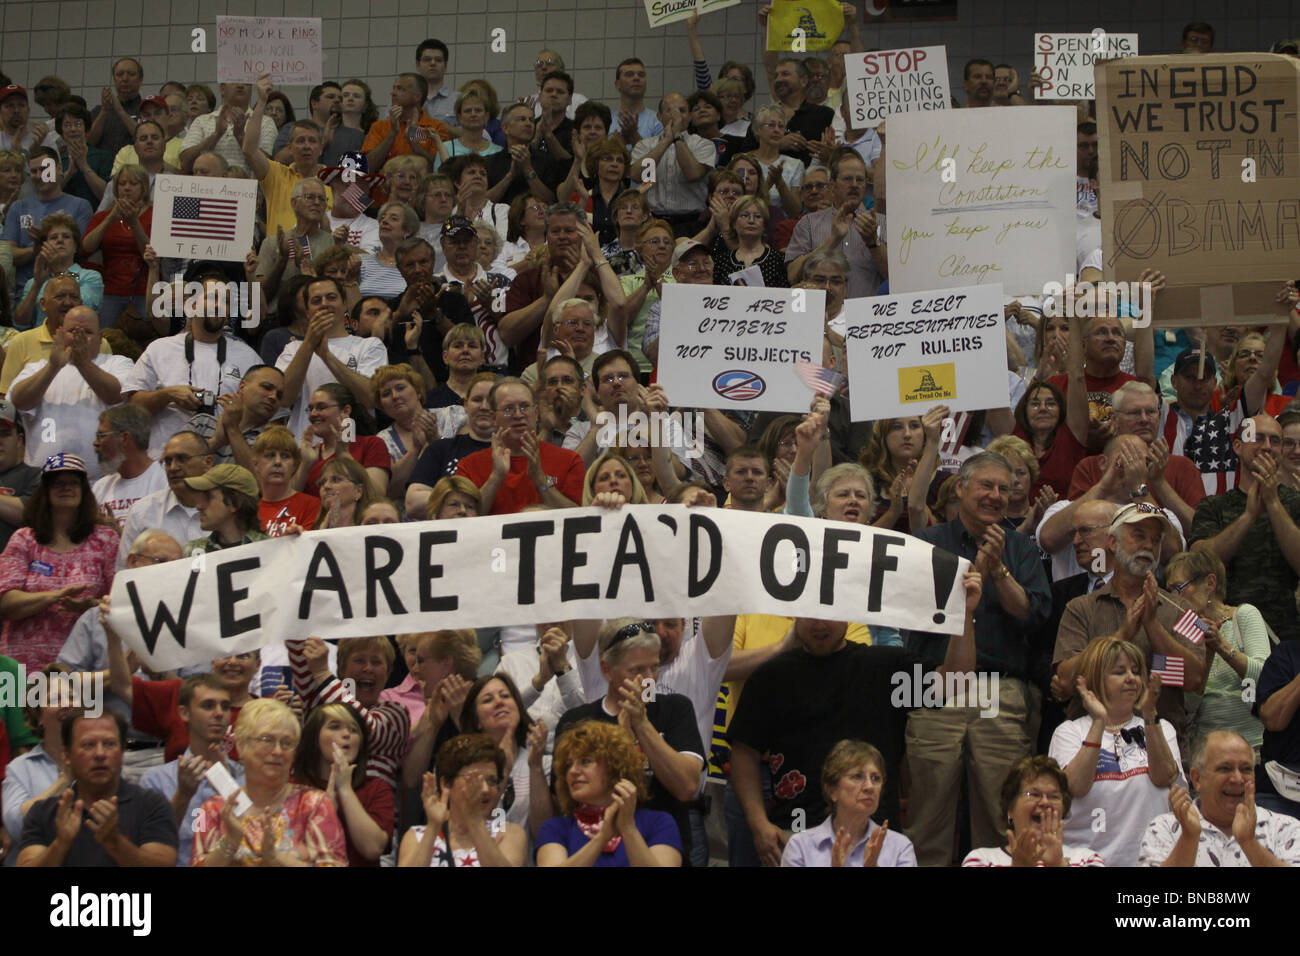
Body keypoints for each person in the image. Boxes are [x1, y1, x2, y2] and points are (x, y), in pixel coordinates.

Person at [731, 572, 982, 867]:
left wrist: (964, 614)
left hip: (877, 840)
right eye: (811, 614)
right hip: (795, 837)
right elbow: (744, 751)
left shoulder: (884, 668)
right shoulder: (770, 676)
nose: (820, 624)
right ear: (795, 612)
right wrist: (758, 824)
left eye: (829, 614)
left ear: (849, 612)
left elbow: (953, 681)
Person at [901, 452, 1052, 865]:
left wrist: (999, 571)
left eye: (1004, 488)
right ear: (962, 488)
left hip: (999, 692)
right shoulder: (929, 545)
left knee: (999, 811)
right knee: (926, 813)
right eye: (986, 485)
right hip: (935, 685)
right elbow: (911, 613)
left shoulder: (1022, 549)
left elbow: (1034, 616)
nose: (996, 495)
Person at [1049, 636, 1183, 867]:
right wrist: (1099, 723)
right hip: (1085, 861)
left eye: (1135, 671)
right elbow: (1075, 788)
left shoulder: (1162, 728)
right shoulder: (1068, 732)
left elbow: (1163, 778)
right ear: (1095, 679)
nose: (1131, 678)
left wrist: (1150, 716)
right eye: (1119, 672)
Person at [122, 269, 263, 457]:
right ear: (191, 305)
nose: (219, 305)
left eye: (226, 301)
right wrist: (168, 395)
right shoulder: (160, 349)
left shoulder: (247, 356)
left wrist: (240, 413)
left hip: (223, 465)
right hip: (164, 462)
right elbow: (131, 410)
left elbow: (266, 413)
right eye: (212, 297)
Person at [191, 698, 346, 866]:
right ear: (241, 746)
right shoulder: (210, 810)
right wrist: (229, 841)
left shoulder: (315, 803)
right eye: (267, 740)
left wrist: (275, 858)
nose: (278, 751)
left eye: (287, 743)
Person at [0, 453, 117, 669]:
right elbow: (6, 604)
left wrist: (90, 606)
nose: (66, 488)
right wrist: (56, 596)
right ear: (44, 492)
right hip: (22, 666)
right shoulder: (24, 539)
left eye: (74, 482)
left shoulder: (106, 539)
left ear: (84, 490)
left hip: (84, 668)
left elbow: (118, 603)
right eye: (57, 484)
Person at [17, 711, 178, 866]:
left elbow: (164, 863)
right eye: (88, 745)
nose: (100, 754)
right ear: (66, 755)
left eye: (109, 744)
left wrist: (115, 842)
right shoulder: (44, 812)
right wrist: (60, 844)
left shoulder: (151, 805)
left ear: (122, 752)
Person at [1191, 414, 1300, 643]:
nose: (1267, 447)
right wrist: (1249, 516)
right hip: (1227, 632)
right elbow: (1200, 564)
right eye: (1258, 438)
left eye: (1275, 441)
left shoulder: (1295, 502)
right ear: (1238, 446)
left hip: (1286, 635)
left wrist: (1272, 502)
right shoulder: (1213, 506)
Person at [1141, 729, 1300, 865]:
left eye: (1245, 769)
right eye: (1225, 768)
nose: (1237, 779)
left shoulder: (1284, 827)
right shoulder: (1165, 828)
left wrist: (1250, 843)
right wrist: (1189, 838)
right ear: (1197, 779)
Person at [9, 306, 132, 481]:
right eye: (72, 331)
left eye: (87, 332)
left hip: (102, 483)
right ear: (59, 334)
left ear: (100, 338)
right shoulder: (38, 367)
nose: (79, 338)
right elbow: (19, 401)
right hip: (42, 482)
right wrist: (53, 367)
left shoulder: (117, 363)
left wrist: (83, 364)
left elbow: (116, 395)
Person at [537, 721, 681, 867]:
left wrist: (628, 829)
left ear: (614, 767)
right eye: (568, 765)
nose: (573, 771)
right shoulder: (555, 827)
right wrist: (602, 838)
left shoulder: (658, 823)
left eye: (585, 761)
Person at [1165, 551, 1268, 749]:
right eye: (1170, 591)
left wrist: (1220, 646)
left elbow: (1264, 676)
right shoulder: (1180, 634)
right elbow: (1188, 706)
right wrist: (1208, 655)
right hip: (1207, 751)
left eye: (1178, 588)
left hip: (1253, 747)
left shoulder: (1244, 615)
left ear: (1210, 584)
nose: (1174, 598)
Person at [138, 675, 243, 867]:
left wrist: (226, 784)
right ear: (184, 713)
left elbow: (256, 834)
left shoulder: (243, 775)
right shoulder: (156, 779)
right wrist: (183, 796)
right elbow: (152, 847)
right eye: (208, 706)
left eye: (225, 706)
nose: (219, 713)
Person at [276, 277, 388, 438]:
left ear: (345, 304)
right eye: (316, 300)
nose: (324, 303)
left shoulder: (369, 345)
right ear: (307, 312)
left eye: (331, 297)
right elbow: (284, 399)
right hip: (304, 445)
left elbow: (371, 398)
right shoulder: (293, 349)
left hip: (352, 444)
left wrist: (327, 356)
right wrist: (308, 344)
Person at [456, 378, 583, 514]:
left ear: (536, 413)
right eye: (508, 409)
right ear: (493, 418)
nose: (518, 415)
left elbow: (579, 518)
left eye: (524, 407)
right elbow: (463, 521)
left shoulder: (569, 460)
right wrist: (496, 477)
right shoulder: (469, 466)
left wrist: (541, 481)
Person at [781, 740, 917, 867]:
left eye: (876, 778)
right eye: (857, 776)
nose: (869, 786)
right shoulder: (800, 847)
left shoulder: (900, 847)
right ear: (832, 790)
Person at [399, 733, 527, 867]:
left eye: (491, 780)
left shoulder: (509, 834)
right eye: (473, 780)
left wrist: (474, 820)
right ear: (446, 784)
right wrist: (433, 826)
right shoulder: (417, 836)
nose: (485, 789)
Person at [291, 703, 394, 868]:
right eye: (335, 727)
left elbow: (373, 848)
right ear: (314, 738)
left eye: (354, 730)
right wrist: (324, 812)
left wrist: (345, 789)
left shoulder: (376, 788)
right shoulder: (294, 787)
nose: (346, 734)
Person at [962, 756, 1105, 866]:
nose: (1044, 802)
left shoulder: (1087, 859)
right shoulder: (981, 860)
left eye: (1053, 796)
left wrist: (1057, 865)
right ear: (1010, 809)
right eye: (1034, 794)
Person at [457, 673, 553, 837]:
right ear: (477, 721)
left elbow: (543, 834)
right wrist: (503, 773)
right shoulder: (463, 768)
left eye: (505, 696)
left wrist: (535, 767)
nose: (499, 702)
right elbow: (467, 827)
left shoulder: (544, 764)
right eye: (488, 700)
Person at [785, 150, 881, 298]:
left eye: (860, 180)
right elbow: (793, 276)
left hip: (866, 316)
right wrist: (833, 239)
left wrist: (873, 243)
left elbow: (895, 278)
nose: (855, 185)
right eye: (848, 179)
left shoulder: (878, 223)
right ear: (832, 184)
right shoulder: (808, 223)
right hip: (820, 316)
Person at [404, 374, 497, 516]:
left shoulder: (515, 451)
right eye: (477, 400)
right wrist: (472, 500)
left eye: (491, 401)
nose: (484, 406)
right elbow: (413, 503)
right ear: (466, 405)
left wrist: (448, 501)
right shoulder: (441, 448)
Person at [114, 430, 211, 566]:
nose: (173, 468)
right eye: (167, 461)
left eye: (182, 459)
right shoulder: (142, 512)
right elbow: (125, 571)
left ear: (208, 462)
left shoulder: (228, 508)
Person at [629, 94, 716, 238]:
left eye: (682, 111)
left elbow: (693, 174)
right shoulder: (645, 145)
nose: (677, 117)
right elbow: (638, 175)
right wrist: (665, 142)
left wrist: (677, 136)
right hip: (654, 222)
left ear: (689, 117)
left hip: (691, 223)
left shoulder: (703, 144)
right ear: (659, 116)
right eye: (670, 111)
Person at [79, 164, 150, 324]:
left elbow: (152, 255)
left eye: (133, 184)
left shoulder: (154, 214)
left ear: (144, 187)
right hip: (110, 290)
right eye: (122, 184)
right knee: (106, 337)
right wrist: (110, 218)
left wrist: (134, 223)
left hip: (143, 290)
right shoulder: (103, 216)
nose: (127, 188)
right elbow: (86, 248)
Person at [11, 208, 101, 330]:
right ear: (44, 247)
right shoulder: (33, 282)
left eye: (66, 236)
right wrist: (37, 284)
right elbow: (20, 324)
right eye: (53, 237)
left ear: (75, 247)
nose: (60, 240)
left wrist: (59, 272)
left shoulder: (89, 277)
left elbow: (83, 308)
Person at [1012, 380, 1089, 499]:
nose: (1043, 408)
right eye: (1035, 404)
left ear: (1061, 409)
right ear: (1025, 410)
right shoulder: (1015, 435)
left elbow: (1077, 377)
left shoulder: (1071, 436)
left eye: (1051, 404)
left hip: (1064, 514)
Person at [179, 81, 277, 173]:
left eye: (246, 83)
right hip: (207, 188)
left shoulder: (265, 122)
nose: (240, 86)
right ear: (222, 89)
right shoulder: (202, 121)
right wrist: (216, 135)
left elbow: (265, 169)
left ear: (251, 90)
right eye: (234, 81)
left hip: (248, 188)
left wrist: (240, 136)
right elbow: (185, 164)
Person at [182, 463, 269, 555]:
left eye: (208, 497)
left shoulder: (271, 548)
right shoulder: (193, 551)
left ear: (235, 503)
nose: (199, 506)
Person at [88, 58, 146, 159]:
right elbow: (89, 143)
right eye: (119, 74)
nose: (125, 79)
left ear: (140, 80)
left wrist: (120, 110)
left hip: (135, 169)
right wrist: (104, 111)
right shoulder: (99, 110)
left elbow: (144, 137)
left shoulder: (147, 109)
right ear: (114, 79)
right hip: (104, 170)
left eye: (131, 74)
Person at [314, 457, 379, 529]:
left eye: (336, 480)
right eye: (322, 482)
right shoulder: (310, 533)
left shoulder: (373, 527)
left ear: (358, 491)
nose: (326, 486)